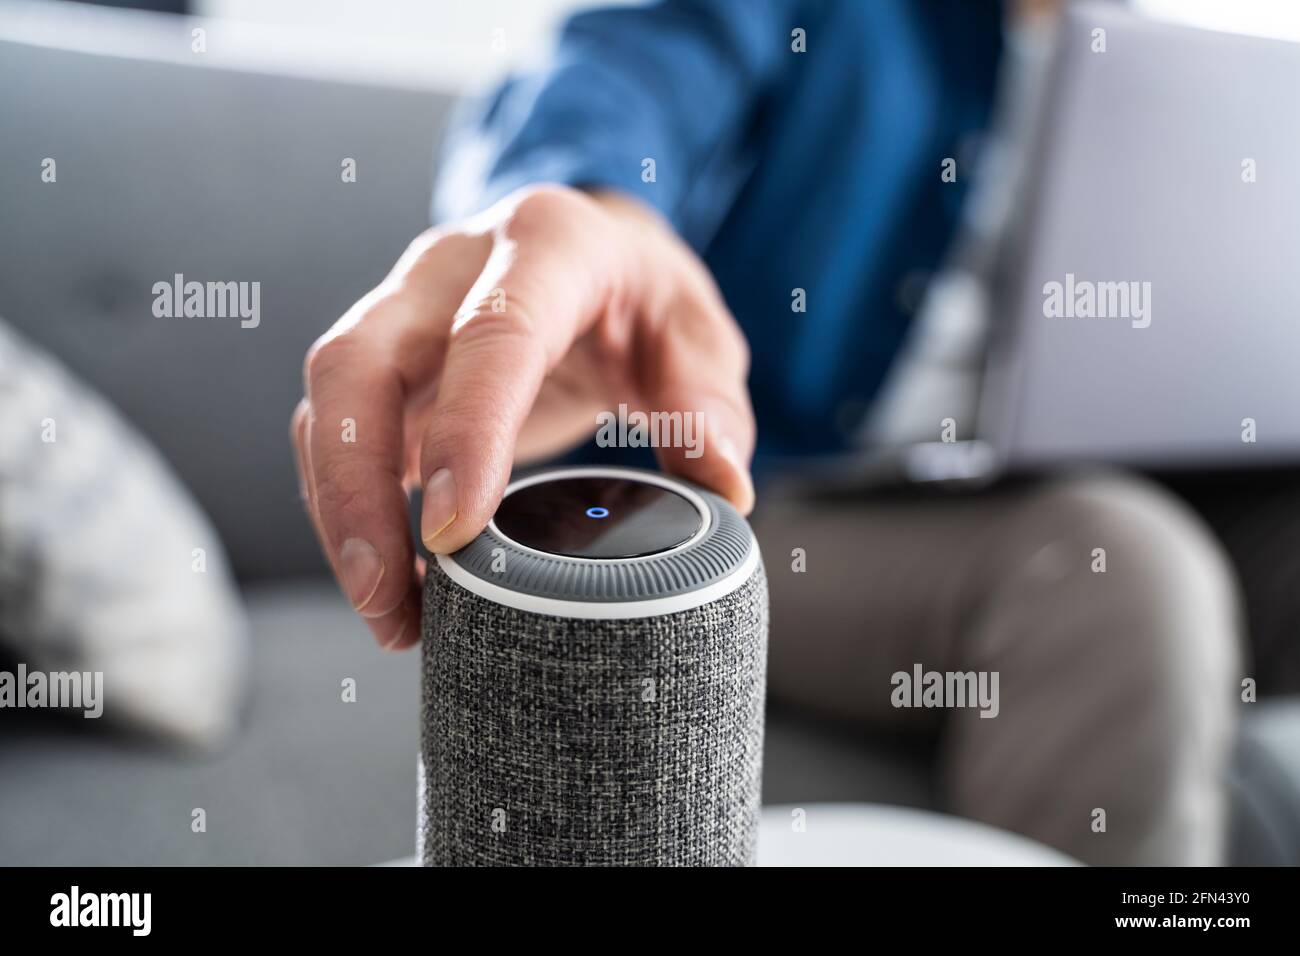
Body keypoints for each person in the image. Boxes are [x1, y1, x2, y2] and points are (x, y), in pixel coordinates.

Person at [290, 0, 1242, 864]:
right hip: (782, 493)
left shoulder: (1193, 74)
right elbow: (628, 68)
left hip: (1083, 477)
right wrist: (585, 198)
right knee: (1118, 567)